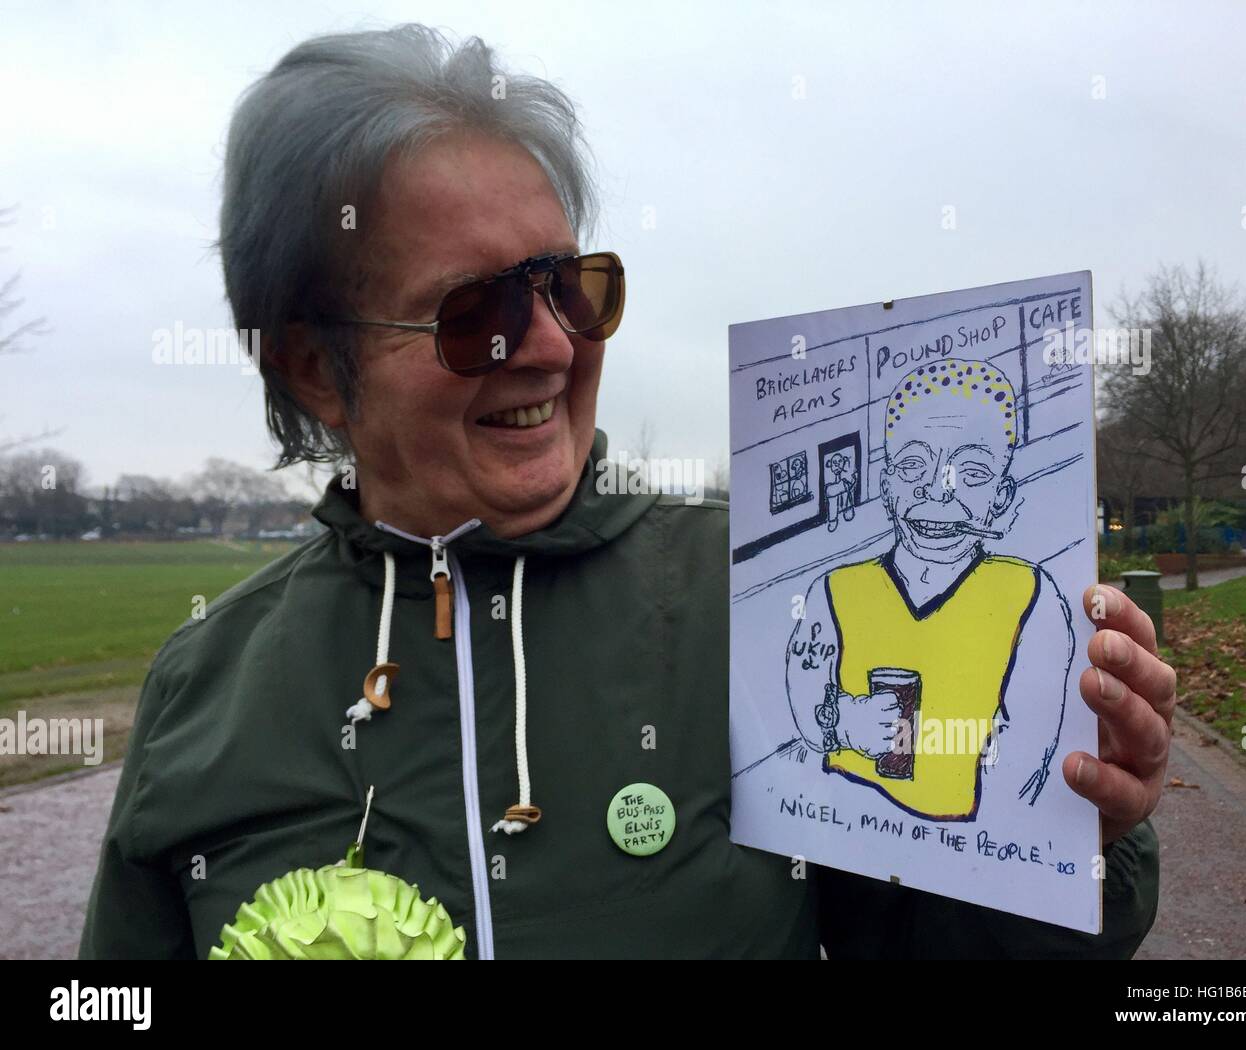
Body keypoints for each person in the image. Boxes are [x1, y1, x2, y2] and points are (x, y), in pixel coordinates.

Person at [80, 24, 1170, 960]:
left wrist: (1080, 839)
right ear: (316, 367)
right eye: (479, 313)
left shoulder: (757, 603)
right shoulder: (204, 683)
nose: (551, 345)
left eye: (570, 287)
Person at [787, 359, 1072, 822]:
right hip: (838, 835)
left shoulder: (1030, 596)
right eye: (913, 464)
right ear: (885, 485)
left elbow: (1027, 756)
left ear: (1001, 494)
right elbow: (805, 700)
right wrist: (841, 721)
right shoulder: (833, 591)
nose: (938, 492)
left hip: (967, 851)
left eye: (974, 472)